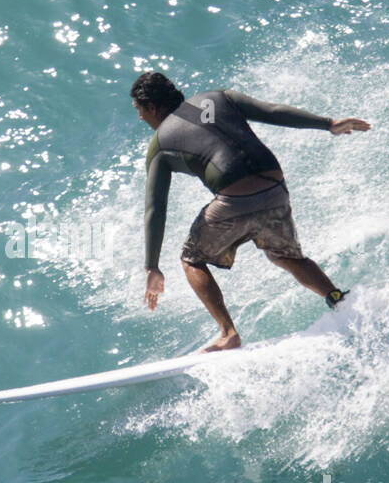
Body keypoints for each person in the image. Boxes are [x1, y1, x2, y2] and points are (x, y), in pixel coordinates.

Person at [132, 71, 370, 351]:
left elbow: (155, 207)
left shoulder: (160, 143)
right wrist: (328, 124)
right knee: (286, 255)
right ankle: (338, 299)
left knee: (191, 259)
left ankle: (227, 333)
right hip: (274, 188)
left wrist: (152, 266)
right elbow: (273, 112)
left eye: (139, 110)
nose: (140, 118)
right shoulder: (219, 97)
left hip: (235, 199)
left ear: (153, 107)